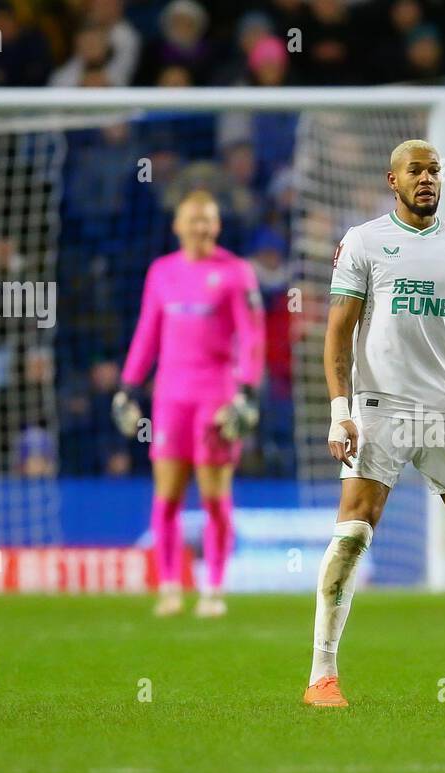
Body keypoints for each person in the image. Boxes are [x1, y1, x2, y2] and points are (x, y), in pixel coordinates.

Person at [306, 140, 445, 708]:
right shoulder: (364, 242)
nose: (426, 179)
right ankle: (322, 675)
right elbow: (337, 333)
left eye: (433, 171)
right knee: (351, 535)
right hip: (380, 406)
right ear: (392, 180)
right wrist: (340, 411)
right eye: (415, 171)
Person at [113, 191, 264, 618]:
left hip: (215, 395)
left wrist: (247, 390)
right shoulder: (161, 272)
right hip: (170, 398)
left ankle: (214, 588)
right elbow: (147, 333)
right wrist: (128, 385)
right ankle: (169, 587)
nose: (200, 228)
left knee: (215, 496)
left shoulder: (236, 273)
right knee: (167, 497)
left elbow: (252, 337)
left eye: (208, 221)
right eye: (192, 220)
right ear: (177, 225)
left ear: (217, 226)